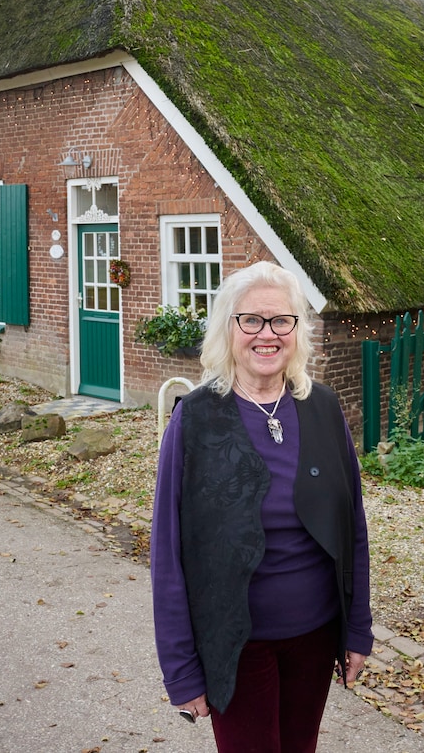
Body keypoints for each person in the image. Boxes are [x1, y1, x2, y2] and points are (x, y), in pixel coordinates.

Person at [151, 261, 373, 753]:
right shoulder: (195, 419)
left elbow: (351, 529)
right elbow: (167, 552)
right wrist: (181, 670)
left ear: (298, 331)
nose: (266, 334)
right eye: (251, 320)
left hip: (315, 636)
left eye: (281, 320)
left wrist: (357, 628)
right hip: (235, 646)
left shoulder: (323, 408)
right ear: (228, 329)